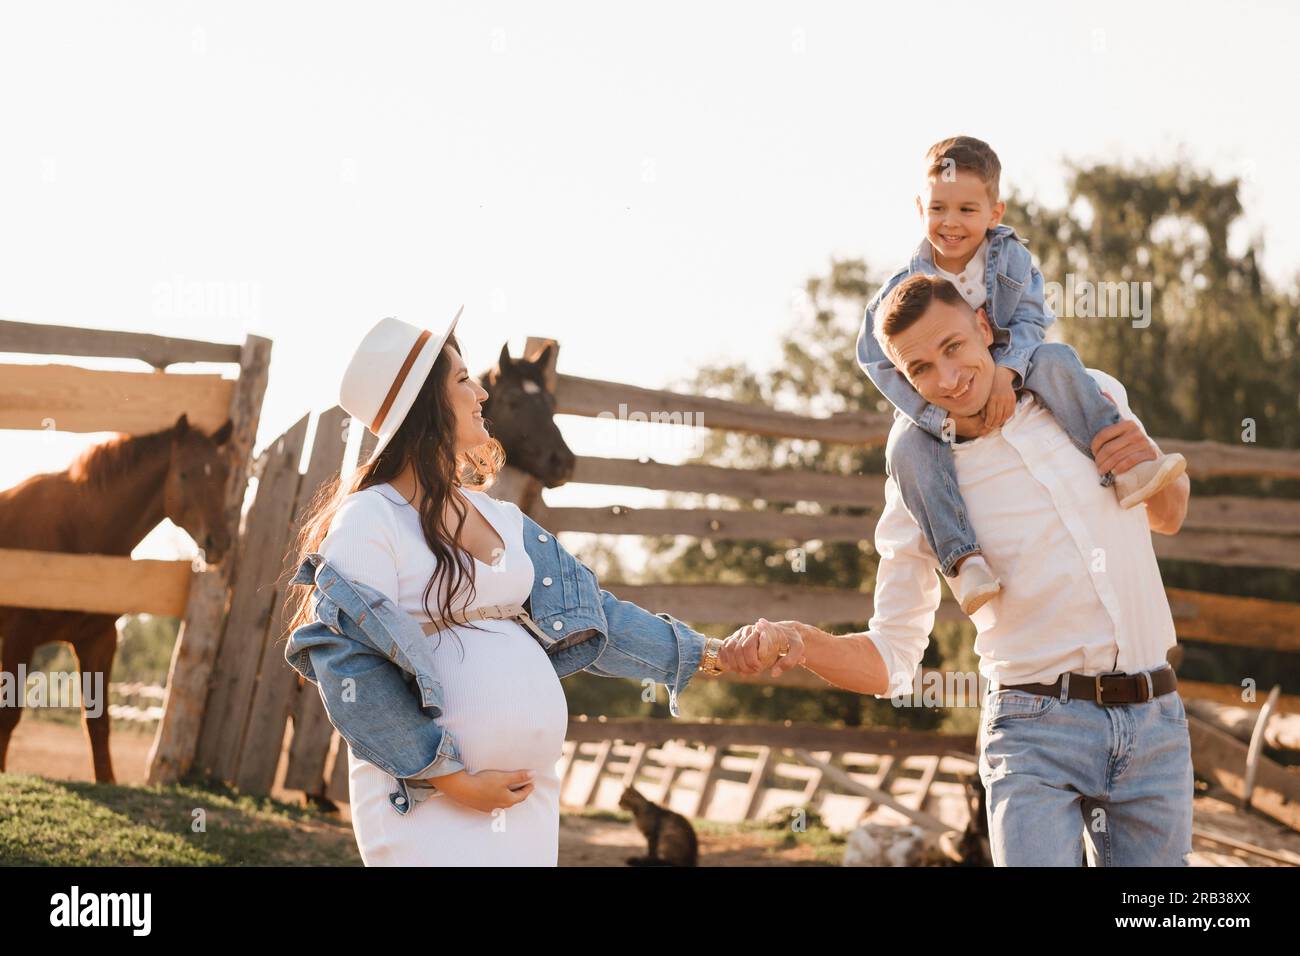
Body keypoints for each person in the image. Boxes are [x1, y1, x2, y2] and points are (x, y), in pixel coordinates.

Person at [726, 274, 1195, 866]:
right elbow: (891, 658)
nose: (946, 379)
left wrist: (1157, 468)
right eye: (921, 369)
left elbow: (1169, 516)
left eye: (952, 348)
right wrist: (799, 640)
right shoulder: (921, 484)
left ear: (982, 326)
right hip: (1034, 732)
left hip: (1154, 719)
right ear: (904, 382)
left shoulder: (1087, 392)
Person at [283, 308, 771, 865]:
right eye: (463, 380)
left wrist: (711, 655)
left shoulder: (505, 520)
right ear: (425, 405)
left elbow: (596, 618)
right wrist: (449, 777)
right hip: (426, 801)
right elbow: (347, 662)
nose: (482, 395)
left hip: (524, 805)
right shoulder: (370, 518)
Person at [856, 135, 1186, 614]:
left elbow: (1032, 320)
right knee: (905, 446)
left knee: (1060, 359)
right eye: (938, 208)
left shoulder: (1011, 259)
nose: (950, 222)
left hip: (1016, 363)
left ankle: (1123, 463)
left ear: (994, 213)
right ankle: (964, 560)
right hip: (938, 403)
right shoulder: (899, 293)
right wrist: (935, 418)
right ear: (919, 207)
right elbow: (878, 360)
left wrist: (1006, 376)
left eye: (968, 209)